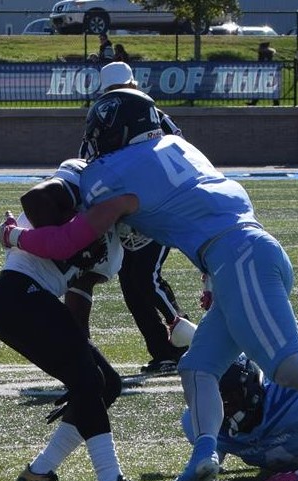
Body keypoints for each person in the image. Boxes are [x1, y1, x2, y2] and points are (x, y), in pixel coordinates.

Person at [0, 89, 298, 481]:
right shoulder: (183, 148)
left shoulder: (110, 173)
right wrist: (211, 277)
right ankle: (202, 459)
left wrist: (13, 235)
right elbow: (203, 204)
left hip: (236, 256)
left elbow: (67, 239)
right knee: (198, 367)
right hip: (245, 252)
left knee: (288, 364)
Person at [0, 158, 158, 481]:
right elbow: (34, 199)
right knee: (89, 382)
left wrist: (78, 361)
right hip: (16, 294)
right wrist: (63, 232)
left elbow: (79, 296)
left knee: (106, 384)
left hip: (31, 301)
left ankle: (40, 472)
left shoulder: (112, 250)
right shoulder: (80, 189)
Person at [179, 322, 298, 481]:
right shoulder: (201, 419)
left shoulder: (294, 399)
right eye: (217, 398)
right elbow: (214, 452)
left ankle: (259, 317)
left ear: (249, 389)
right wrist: (203, 467)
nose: (224, 407)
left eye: (230, 398)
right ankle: (240, 320)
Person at [99, 61, 192, 375]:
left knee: (146, 279)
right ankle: (163, 351)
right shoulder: (108, 117)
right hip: (128, 210)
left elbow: (177, 154)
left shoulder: (151, 116)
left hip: (154, 206)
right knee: (133, 284)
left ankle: (186, 340)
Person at [247, 42, 279, 106]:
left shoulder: (264, 54)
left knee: (261, 87)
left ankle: (254, 102)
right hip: (268, 72)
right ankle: (275, 103)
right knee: (265, 87)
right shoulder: (268, 53)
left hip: (266, 72)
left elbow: (261, 62)